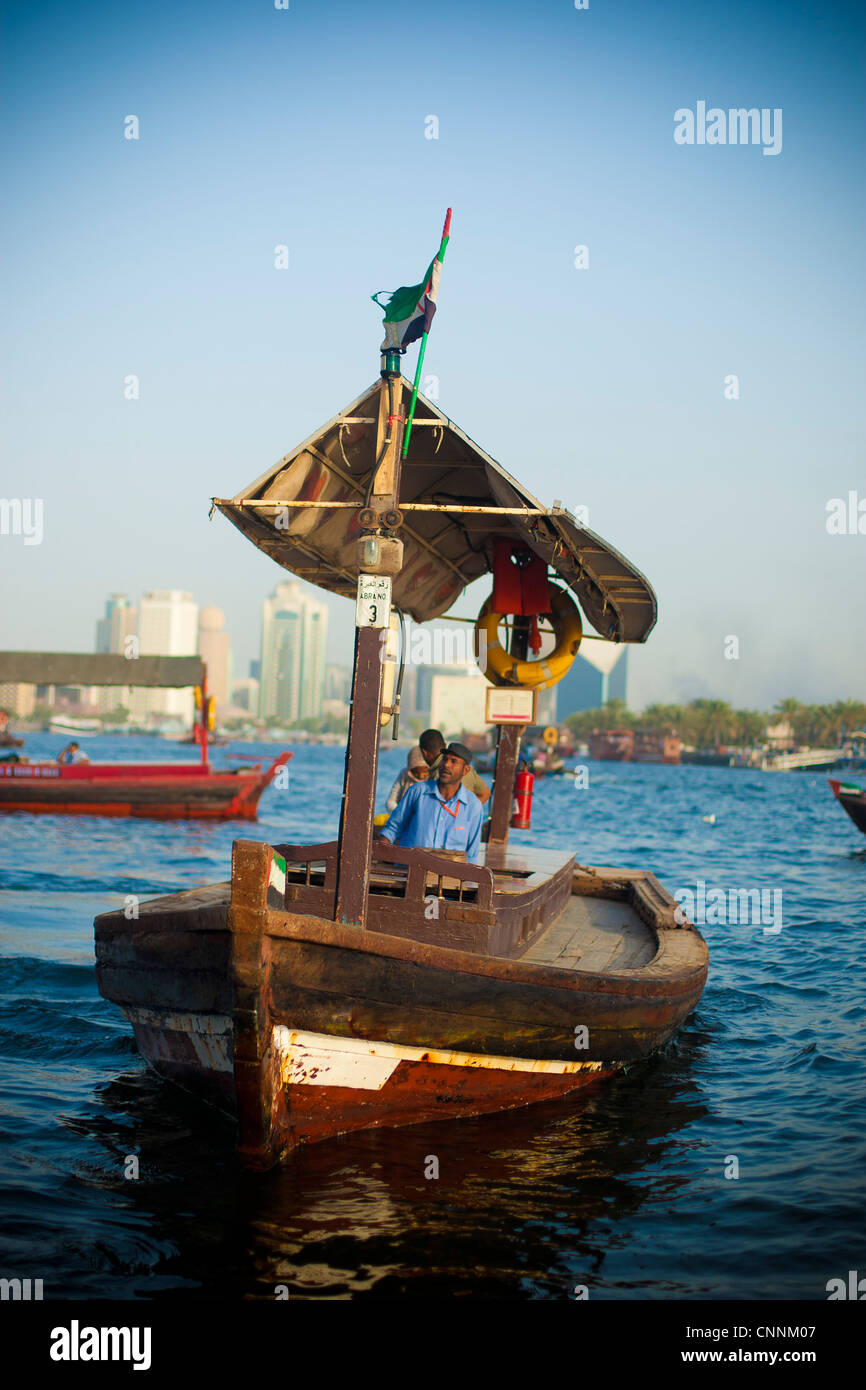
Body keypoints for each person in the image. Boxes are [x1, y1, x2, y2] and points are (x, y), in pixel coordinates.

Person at [380, 742, 484, 865]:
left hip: (448, 879)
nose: (446, 765)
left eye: (453, 761)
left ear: (465, 770)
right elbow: (392, 829)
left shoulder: (473, 806)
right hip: (408, 873)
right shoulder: (418, 791)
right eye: (444, 759)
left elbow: (471, 855)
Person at [418, 728, 490, 805]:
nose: (446, 765)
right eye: (446, 760)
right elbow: (485, 794)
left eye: (453, 761)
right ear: (445, 745)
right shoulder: (466, 768)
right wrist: (469, 812)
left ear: (424, 753)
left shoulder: (440, 774)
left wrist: (467, 812)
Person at [386, 745, 430, 811]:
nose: (420, 776)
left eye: (424, 772)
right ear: (410, 769)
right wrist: (402, 814)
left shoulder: (433, 778)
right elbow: (390, 802)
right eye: (416, 772)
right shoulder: (404, 774)